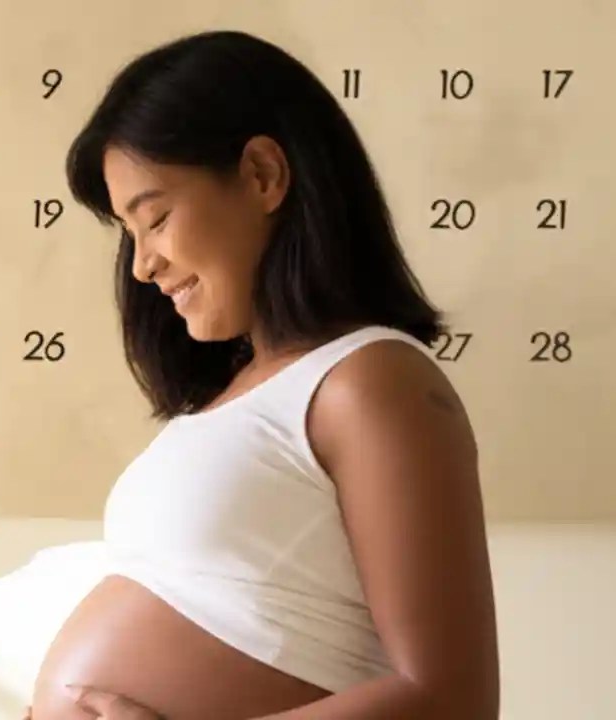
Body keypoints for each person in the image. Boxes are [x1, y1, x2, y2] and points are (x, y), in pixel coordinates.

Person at [25, 29, 499, 720]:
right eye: (129, 235)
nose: (142, 265)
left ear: (262, 175)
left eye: (154, 218)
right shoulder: (227, 400)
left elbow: (451, 701)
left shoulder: (371, 382)